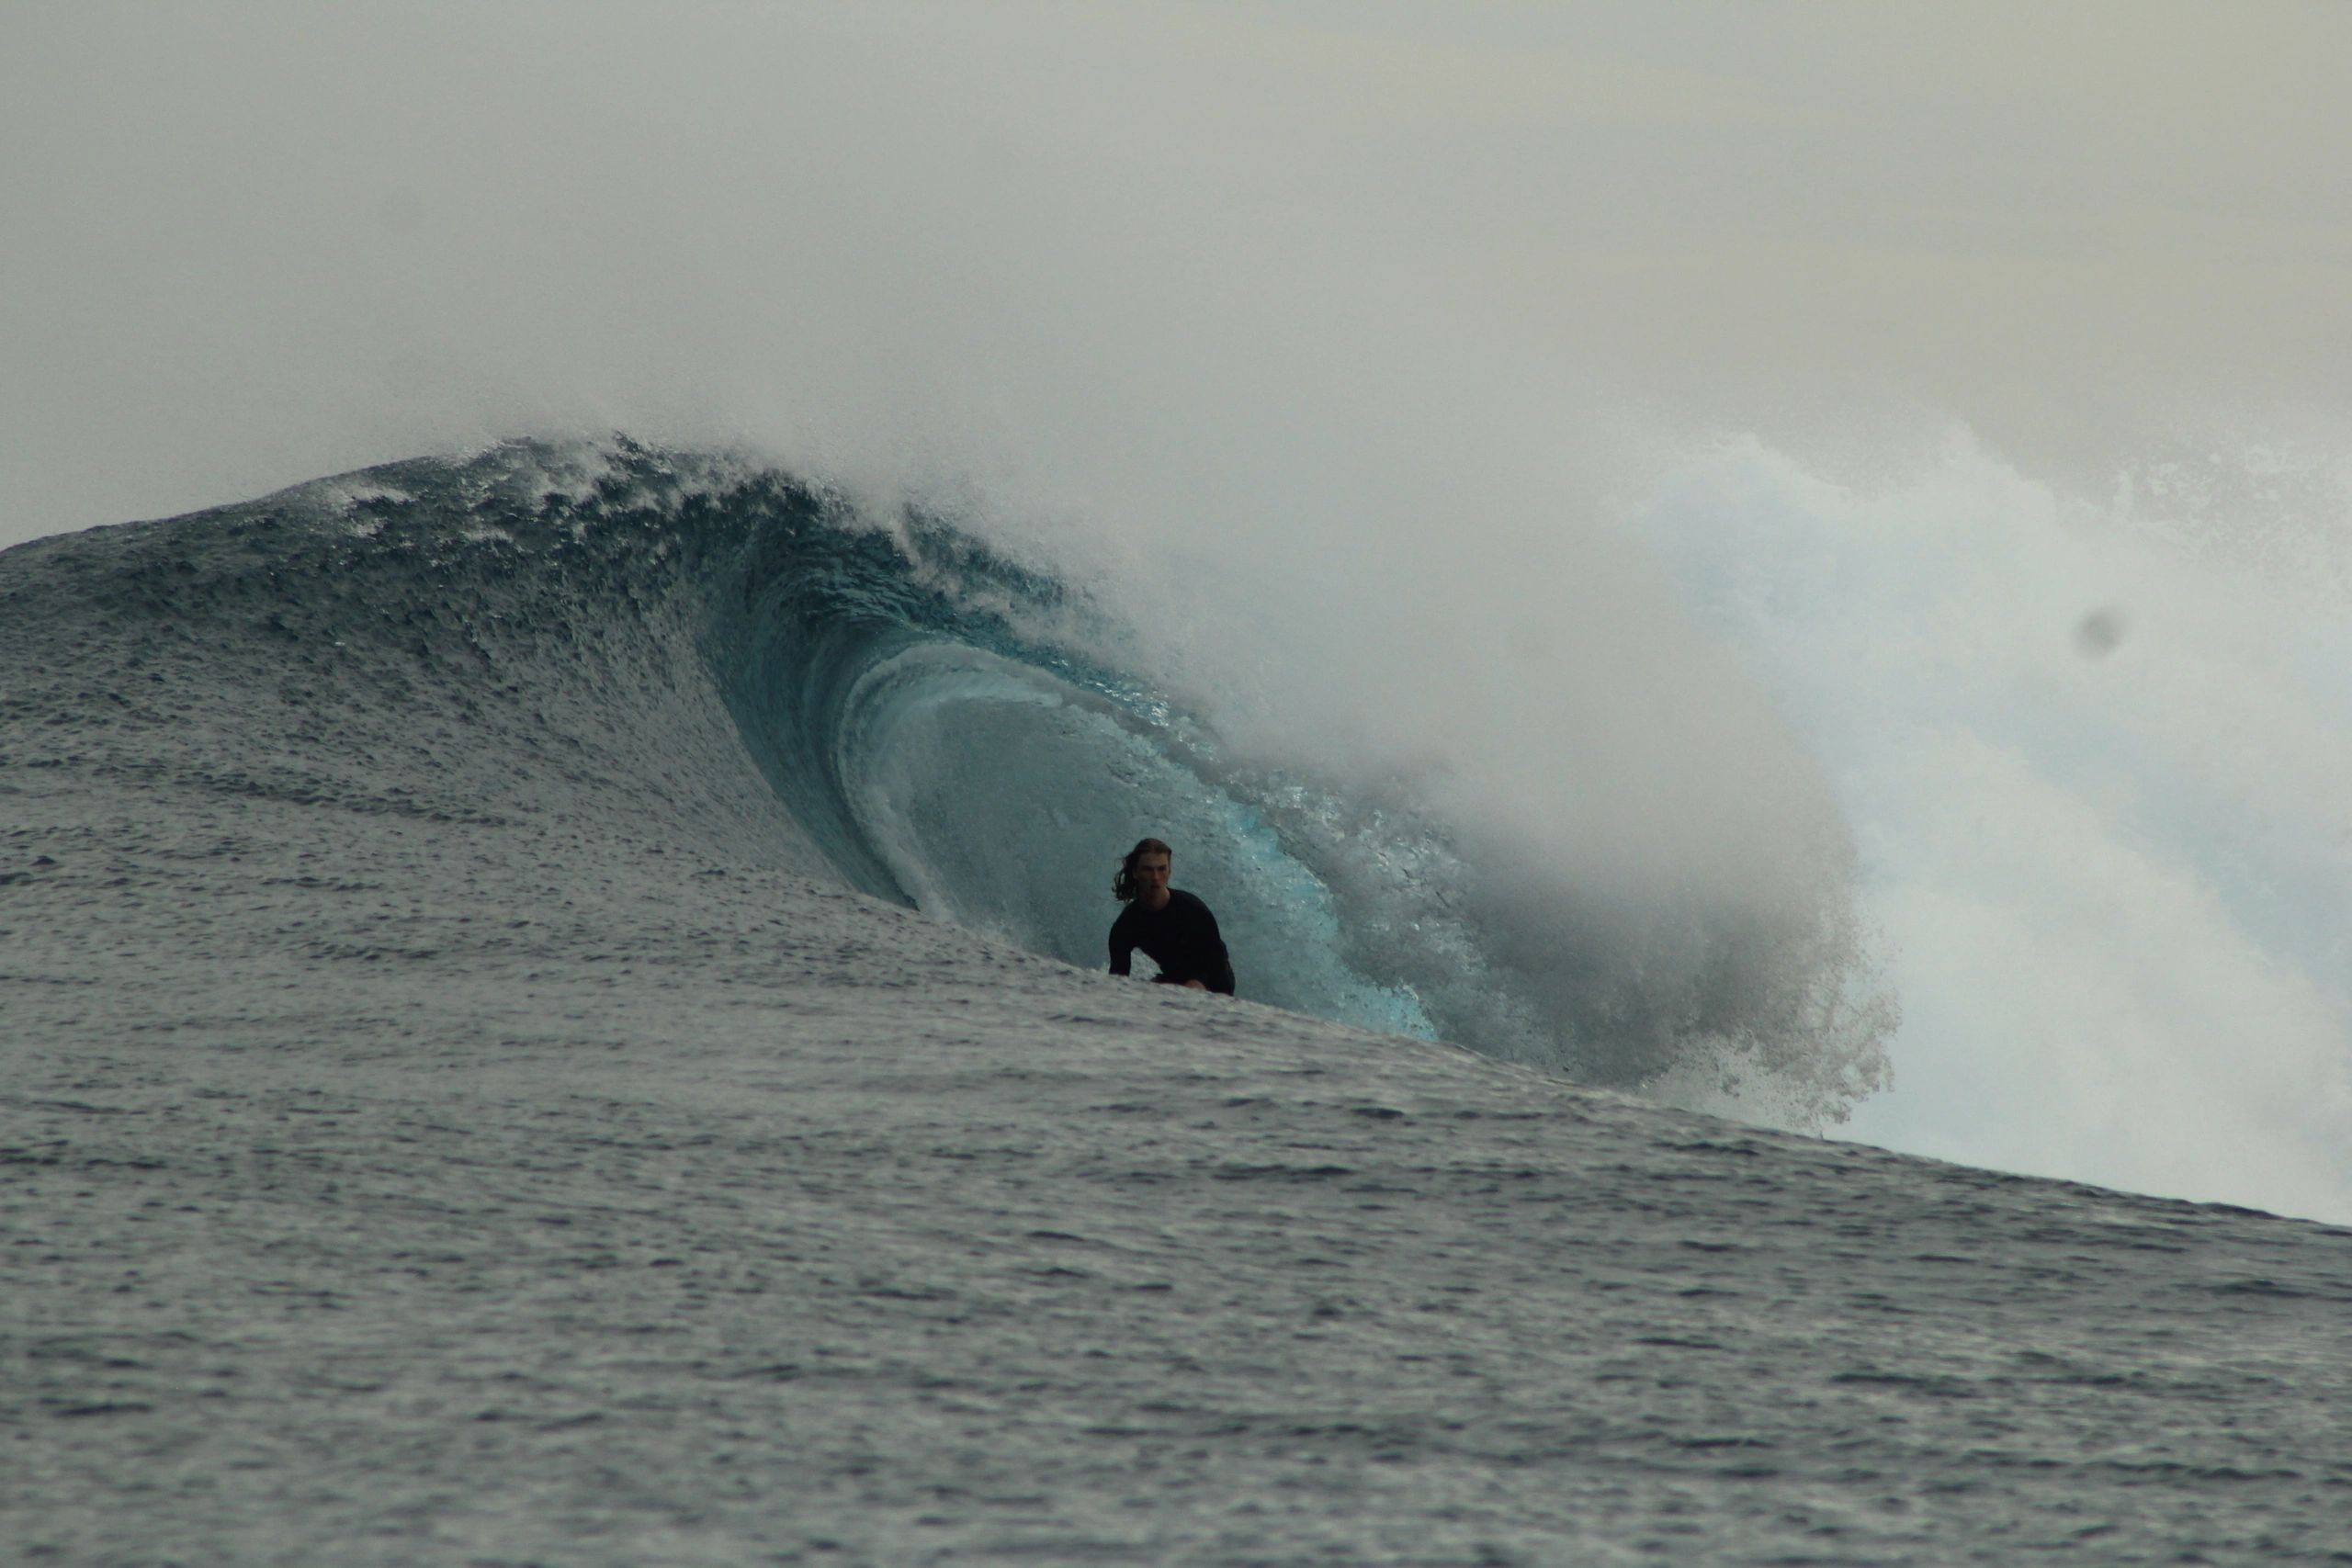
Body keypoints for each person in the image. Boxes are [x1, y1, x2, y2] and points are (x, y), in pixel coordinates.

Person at [1107, 837, 1235, 996]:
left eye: (1162, 869)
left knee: (1191, 990)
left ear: (1169, 871)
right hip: (1172, 978)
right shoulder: (1126, 925)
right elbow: (1117, 982)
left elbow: (1219, 971)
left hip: (1211, 976)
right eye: (1148, 869)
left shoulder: (1194, 911)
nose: (1155, 877)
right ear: (1135, 873)